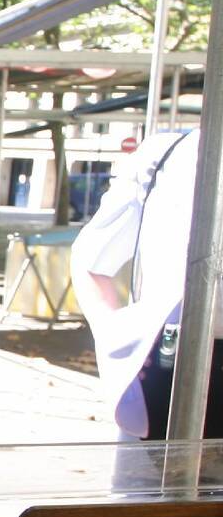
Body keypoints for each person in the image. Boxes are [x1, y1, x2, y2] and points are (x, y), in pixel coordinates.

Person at [71, 130, 223, 441]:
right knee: (167, 468)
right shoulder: (169, 153)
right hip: (175, 362)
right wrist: (116, 338)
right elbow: (91, 261)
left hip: (176, 360)